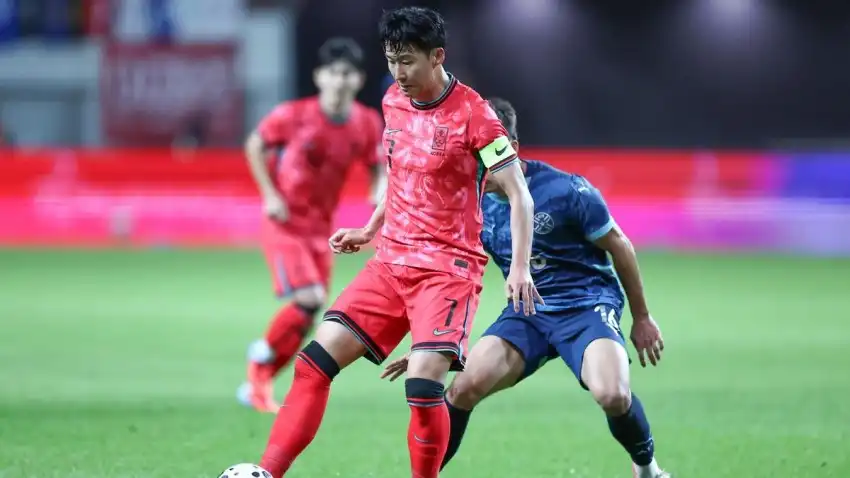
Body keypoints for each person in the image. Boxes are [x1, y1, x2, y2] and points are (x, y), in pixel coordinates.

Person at [256, 7, 541, 478]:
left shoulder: (475, 115)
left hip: (447, 271)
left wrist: (520, 268)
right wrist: (371, 228)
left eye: (407, 60)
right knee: (312, 363)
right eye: (391, 60)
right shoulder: (393, 101)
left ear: (438, 56)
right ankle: (266, 472)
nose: (399, 73)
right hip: (390, 263)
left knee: (423, 386)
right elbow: (401, 176)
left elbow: (520, 195)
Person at [381, 99, 671, 478]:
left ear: (512, 149)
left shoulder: (568, 191)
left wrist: (642, 316)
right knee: (461, 389)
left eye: (483, 151)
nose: (475, 163)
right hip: (527, 312)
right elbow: (450, 274)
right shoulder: (472, 205)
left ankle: (647, 469)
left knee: (612, 395)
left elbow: (620, 245)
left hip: (585, 306)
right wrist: (430, 341)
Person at [240, 37, 386, 413]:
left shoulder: (366, 123)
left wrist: (377, 191)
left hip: (323, 230)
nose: (340, 81)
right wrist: (270, 195)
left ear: (358, 80)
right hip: (286, 223)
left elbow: (378, 164)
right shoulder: (292, 115)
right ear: (320, 76)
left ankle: (258, 381)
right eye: (334, 73)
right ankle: (258, 365)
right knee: (310, 300)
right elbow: (255, 144)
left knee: (308, 315)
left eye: (348, 74)